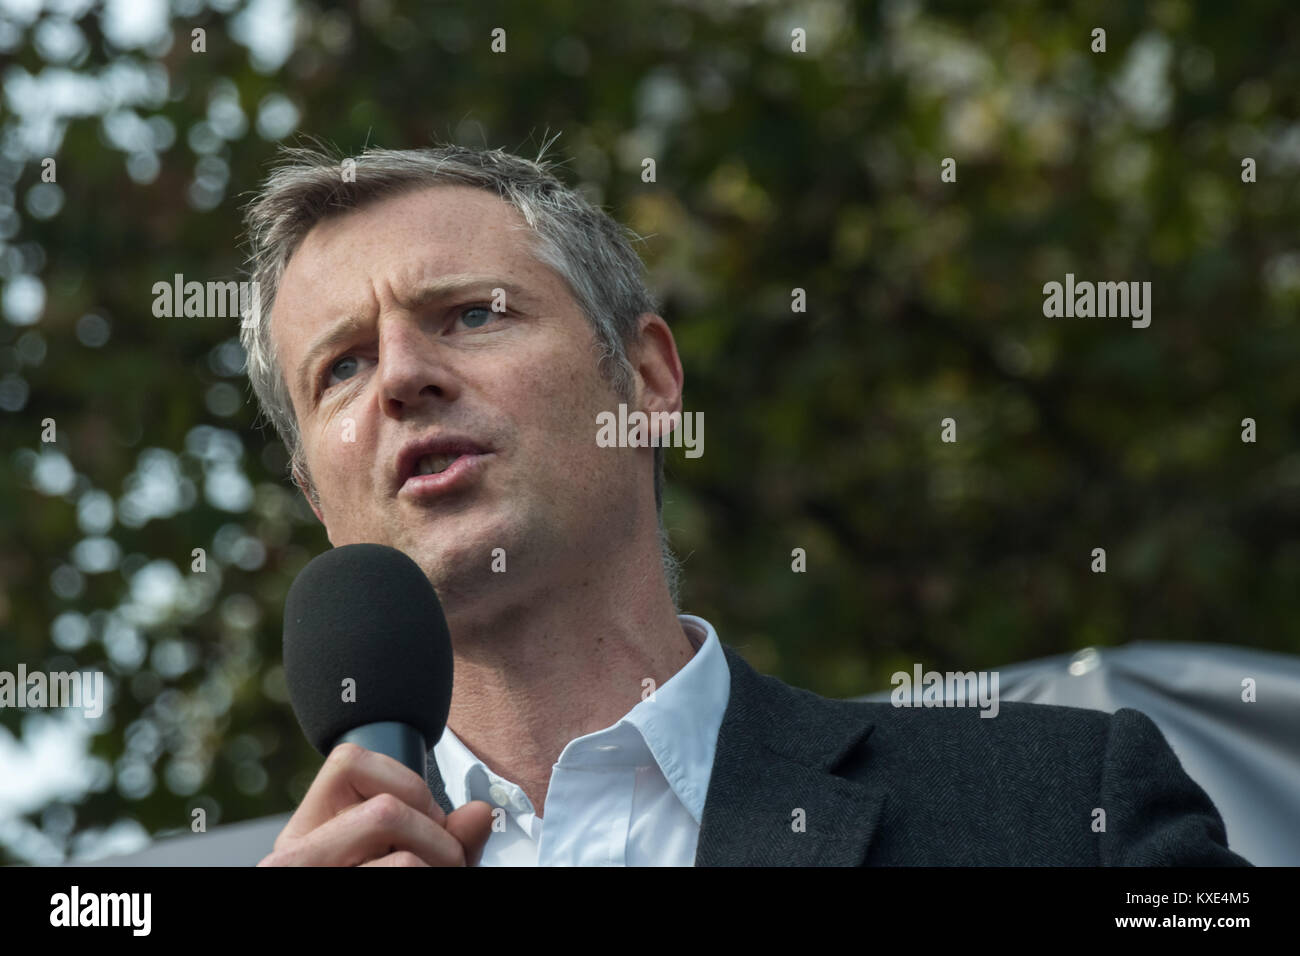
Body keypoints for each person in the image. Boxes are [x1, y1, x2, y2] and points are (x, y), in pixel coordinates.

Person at [243, 143, 1248, 866]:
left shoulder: (1066, 807)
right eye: (342, 366)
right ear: (315, 496)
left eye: (469, 314)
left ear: (644, 379)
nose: (403, 377)